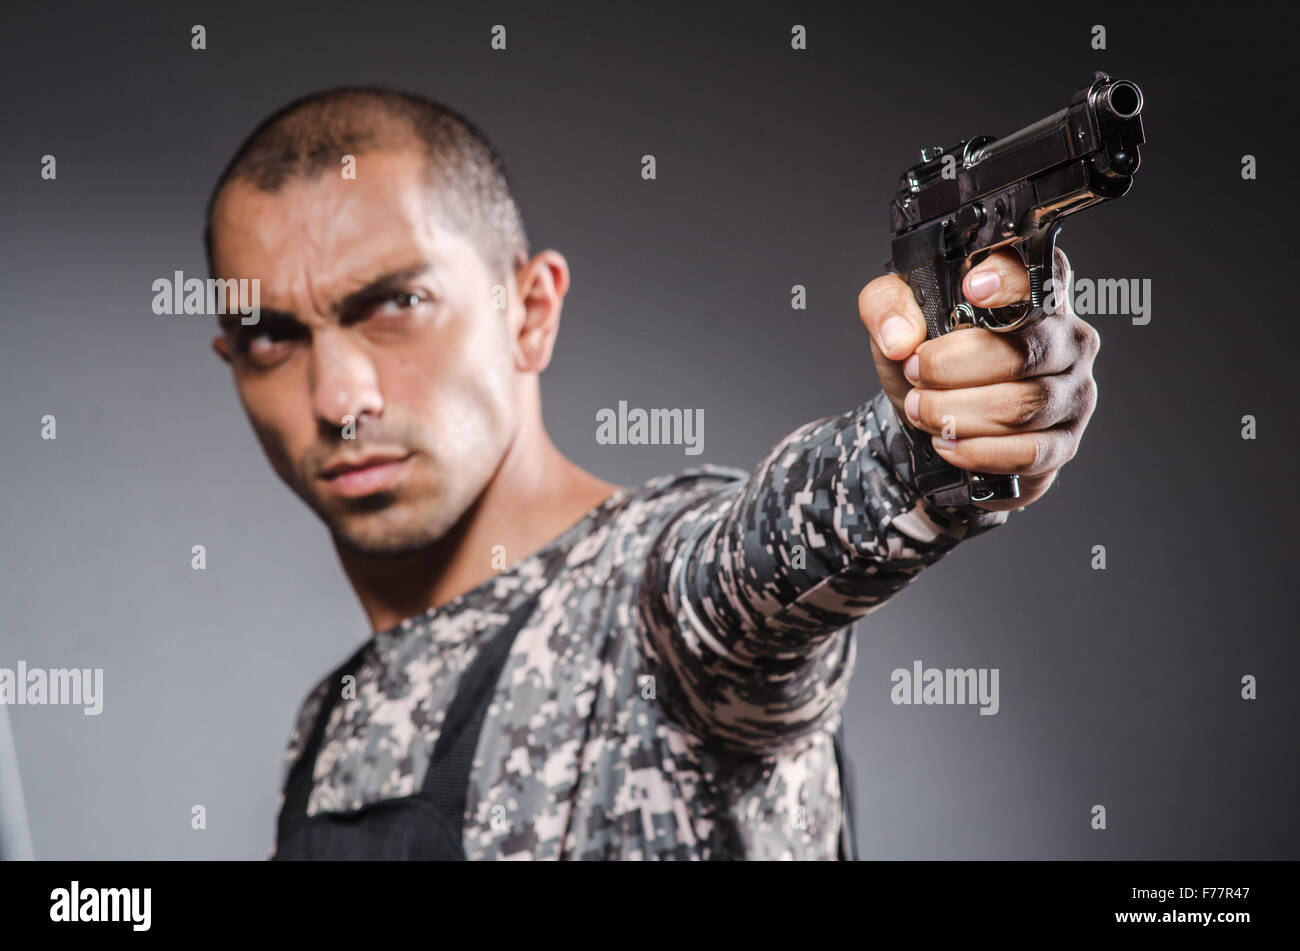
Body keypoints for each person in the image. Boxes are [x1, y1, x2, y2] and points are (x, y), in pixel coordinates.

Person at [205, 87, 1099, 860]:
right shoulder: (330, 721)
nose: (339, 397)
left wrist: (926, 435)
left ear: (530, 312)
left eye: (396, 303)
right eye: (271, 336)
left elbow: (765, 556)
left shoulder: (650, 606)